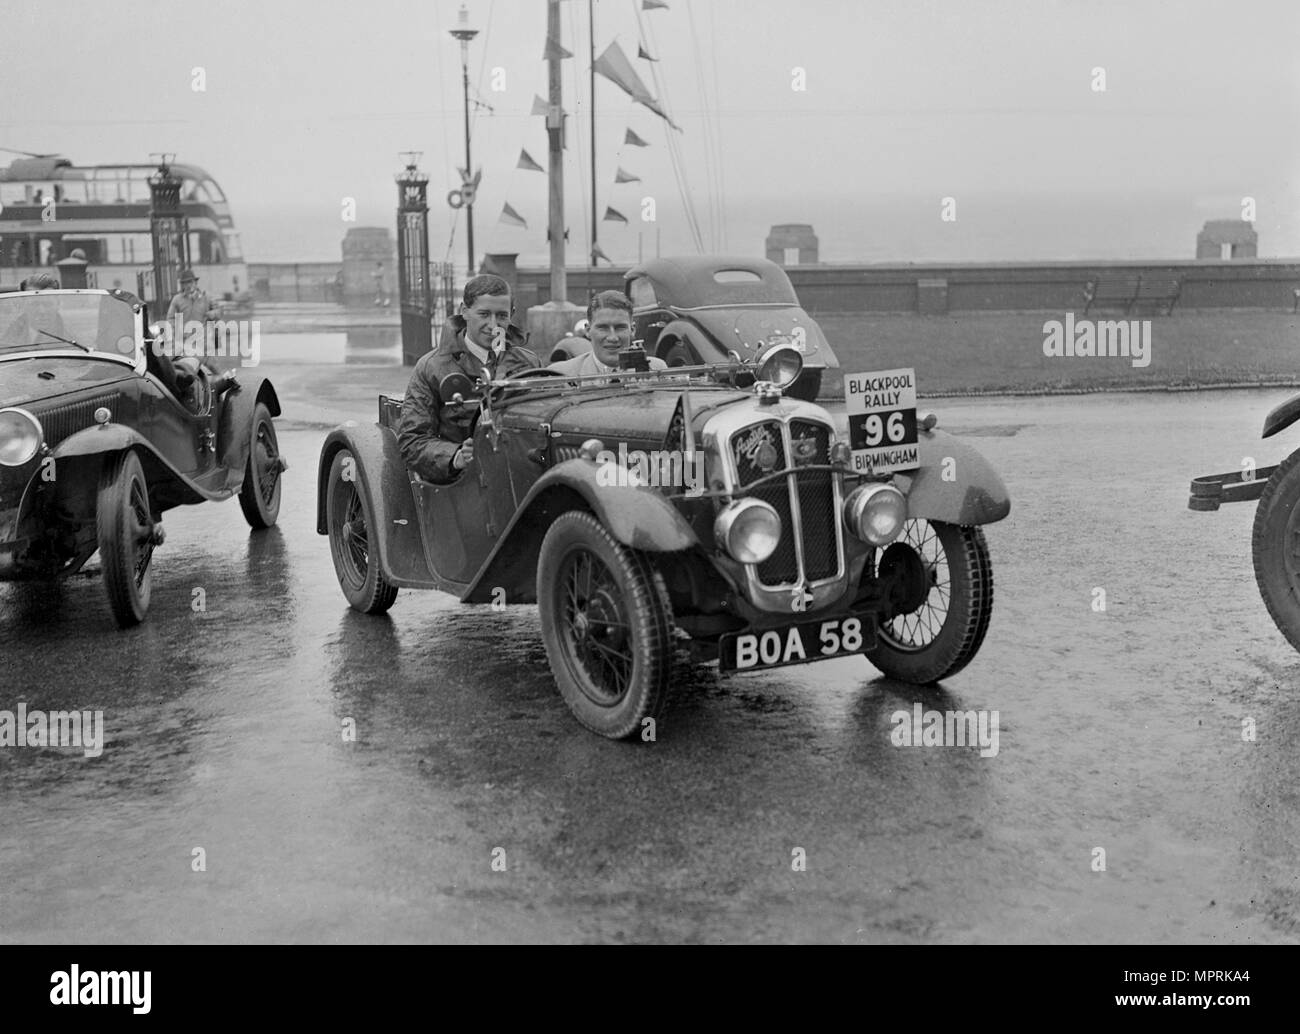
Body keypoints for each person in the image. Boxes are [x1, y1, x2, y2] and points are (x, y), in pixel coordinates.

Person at [397, 274, 540, 483]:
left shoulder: (529, 362)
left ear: (512, 314)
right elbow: (412, 441)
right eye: (484, 314)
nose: (493, 325)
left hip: (521, 475)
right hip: (462, 484)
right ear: (464, 311)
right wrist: (456, 457)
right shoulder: (432, 367)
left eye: (501, 316)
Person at [548, 290, 666, 383]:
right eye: (603, 328)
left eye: (620, 327)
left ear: (633, 330)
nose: (612, 338)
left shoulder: (658, 369)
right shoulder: (561, 375)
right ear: (588, 331)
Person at [2, 273, 67, 344]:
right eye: (34, 304)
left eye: (48, 304)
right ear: (23, 304)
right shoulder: (9, 336)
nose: (42, 311)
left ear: (58, 304)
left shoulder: (70, 341)